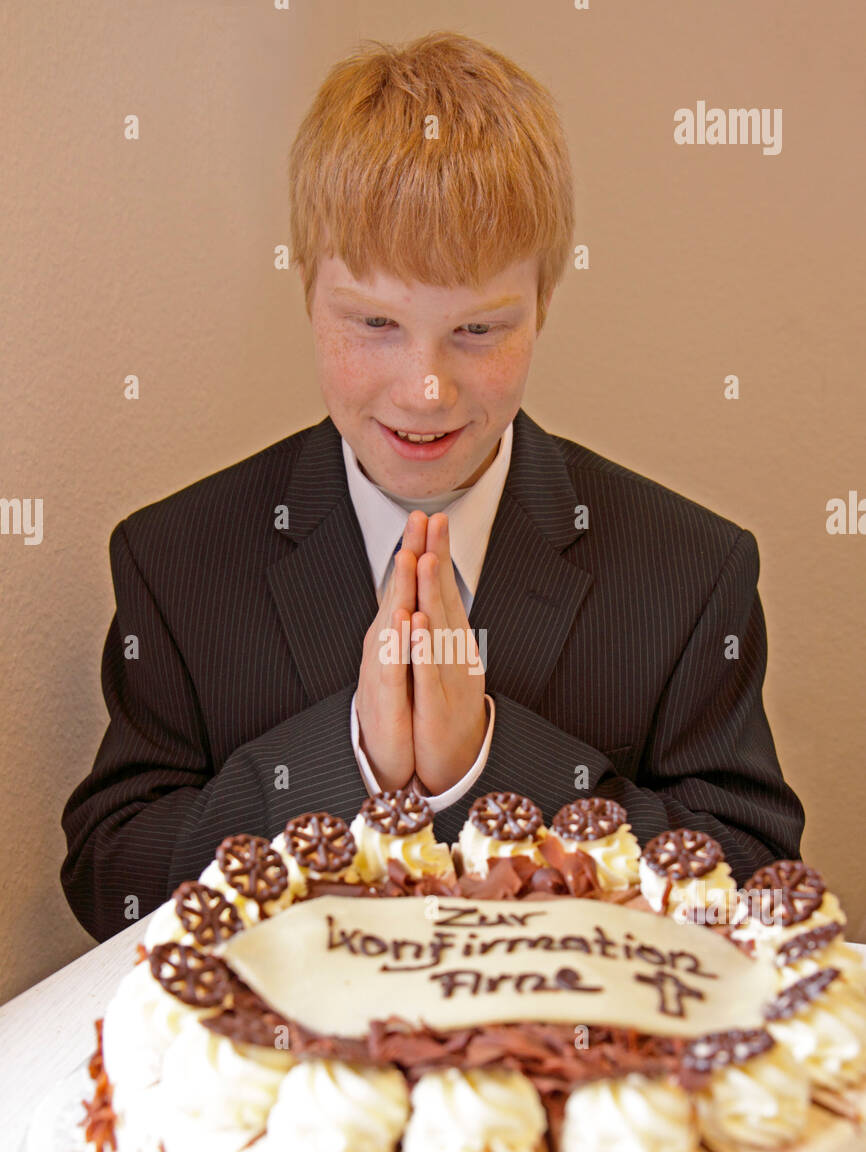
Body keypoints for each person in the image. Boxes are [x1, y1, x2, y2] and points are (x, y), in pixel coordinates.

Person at [61, 31, 805, 942]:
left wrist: (491, 765)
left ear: (544, 307)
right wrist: (353, 761)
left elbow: (756, 881)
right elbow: (112, 877)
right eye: (374, 321)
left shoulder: (690, 570)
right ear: (305, 292)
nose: (425, 389)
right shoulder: (177, 559)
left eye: (480, 331)